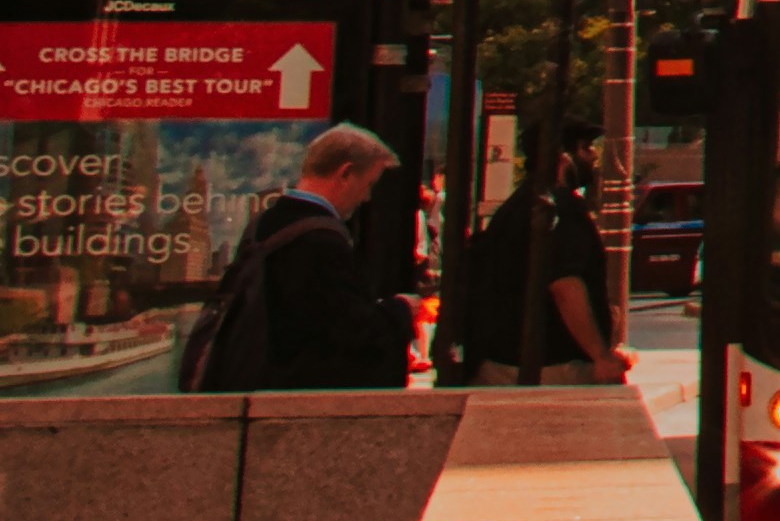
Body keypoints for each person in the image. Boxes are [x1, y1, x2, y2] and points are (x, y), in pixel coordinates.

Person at [179, 125, 416, 393]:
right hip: (294, 400)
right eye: (368, 184)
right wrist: (401, 310)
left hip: (254, 385)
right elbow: (352, 333)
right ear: (346, 173)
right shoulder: (320, 241)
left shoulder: (265, 224)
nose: (366, 197)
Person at [451, 133, 631, 386]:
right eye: (587, 147)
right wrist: (600, 355)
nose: (594, 156)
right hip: (551, 365)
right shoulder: (557, 208)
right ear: (563, 157)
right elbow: (565, 286)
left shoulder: (517, 205)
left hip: (503, 360)